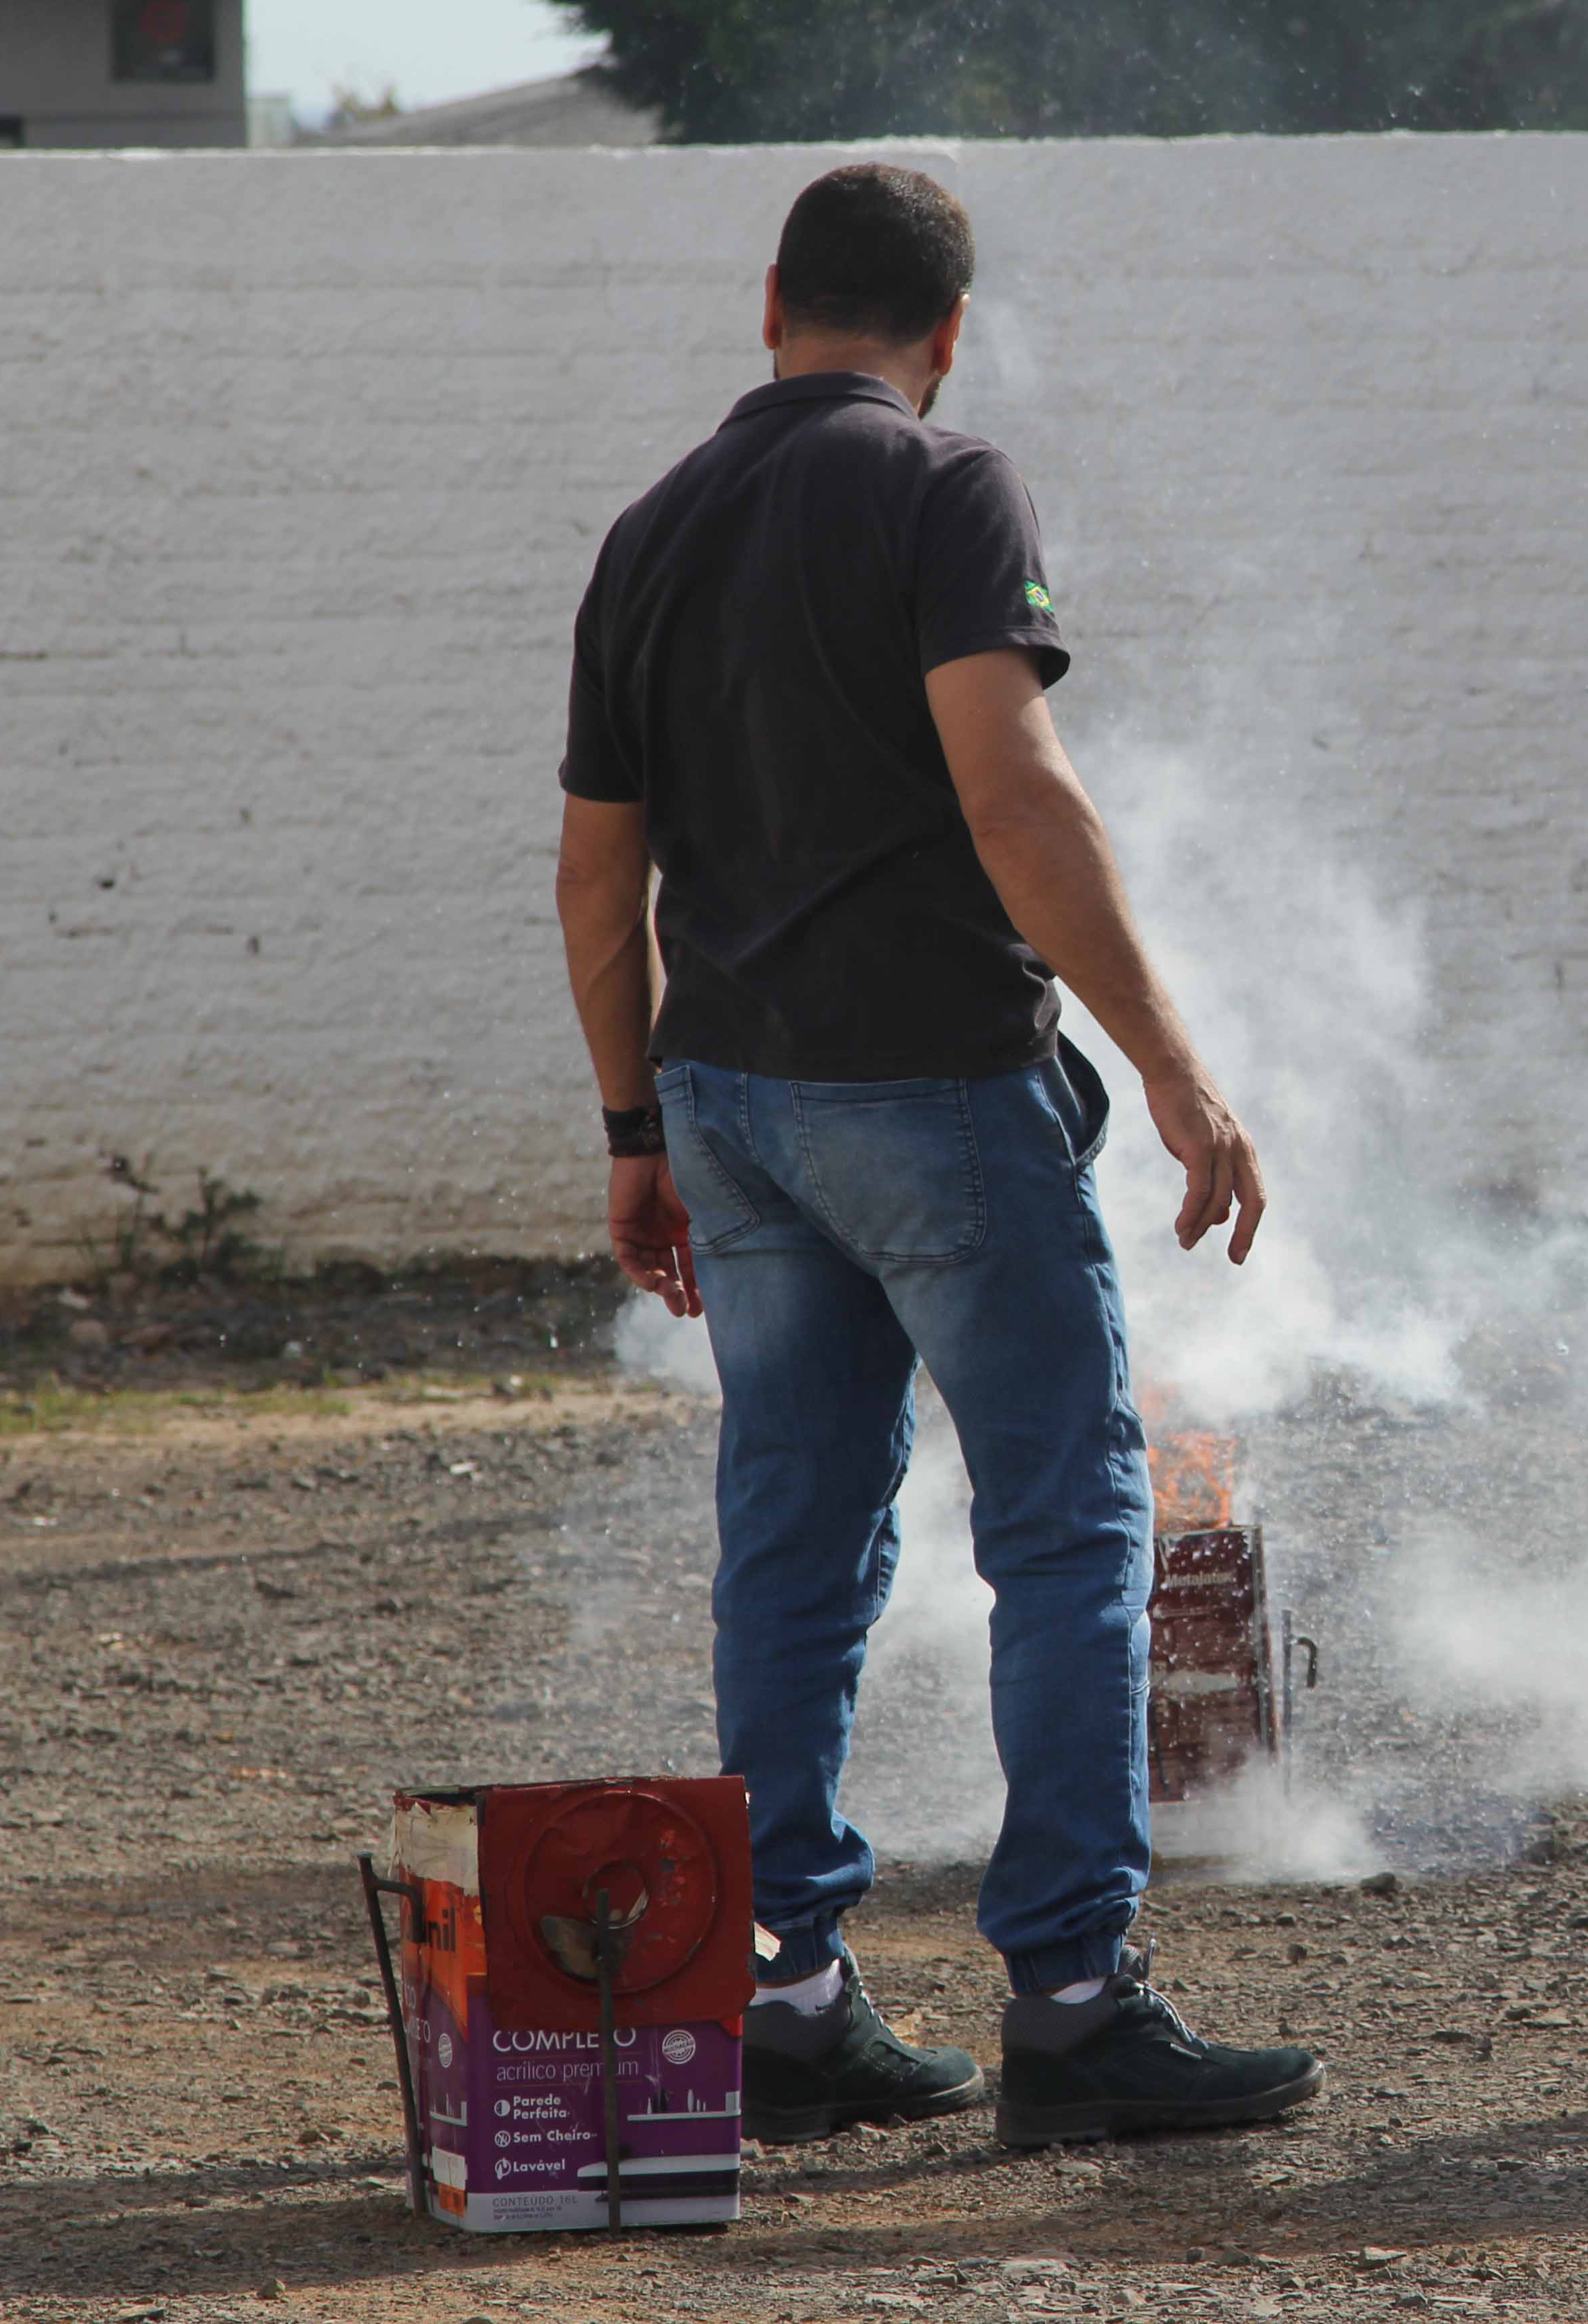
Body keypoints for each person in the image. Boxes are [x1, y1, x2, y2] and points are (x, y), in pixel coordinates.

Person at [552, 163, 1324, 2144]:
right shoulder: (943, 488)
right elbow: (1017, 791)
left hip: (730, 1103)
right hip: (937, 1099)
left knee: (792, 1545)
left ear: (771, 308)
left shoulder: (648, 534)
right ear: (946, 331)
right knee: (1069, 1532)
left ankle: (789, 1992)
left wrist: (636, 1126)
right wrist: (1170, 1061)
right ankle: (1073, 2000)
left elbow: (596, 867)